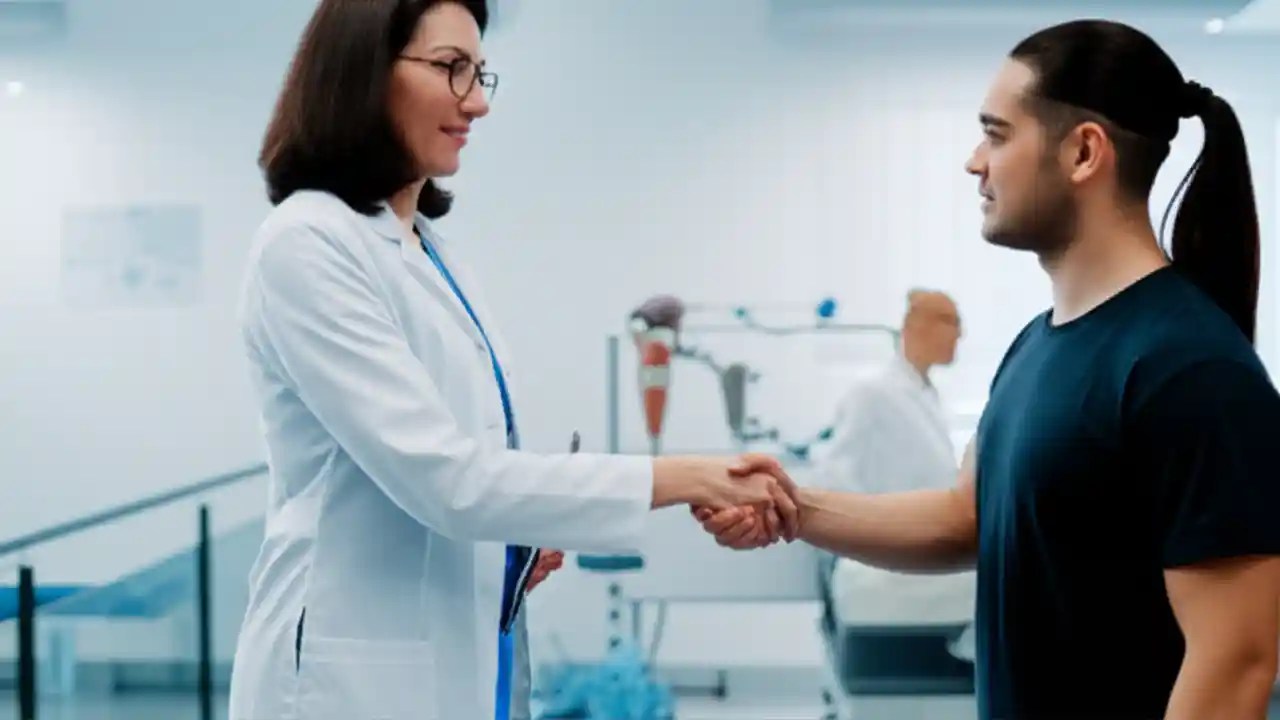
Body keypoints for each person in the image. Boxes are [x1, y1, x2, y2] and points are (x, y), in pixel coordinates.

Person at [226, 2, 798, 719]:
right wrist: (685, 475)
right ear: (363, 72)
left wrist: (511, 546)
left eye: (479, 71)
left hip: (453, 653)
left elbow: (459, 476)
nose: (478, 101)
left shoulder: (431, 250)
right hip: (347, 678)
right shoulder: (306, 244)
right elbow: (448, 480)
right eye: (451, 69)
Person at [699, 19, 1280, 720]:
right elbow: (965, 520)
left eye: (997, 134)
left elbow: (1236, 661)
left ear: (1083, 152)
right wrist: (795, 507)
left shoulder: (1188, 368)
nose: (974, 161)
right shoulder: (1039, 344)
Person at [819, 288, 962, 495]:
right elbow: (833, 478)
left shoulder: (927, 393)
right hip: (890, 524)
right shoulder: (872, 394)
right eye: (949, 321)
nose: (959, 334)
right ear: (914, 326)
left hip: (924, 523)